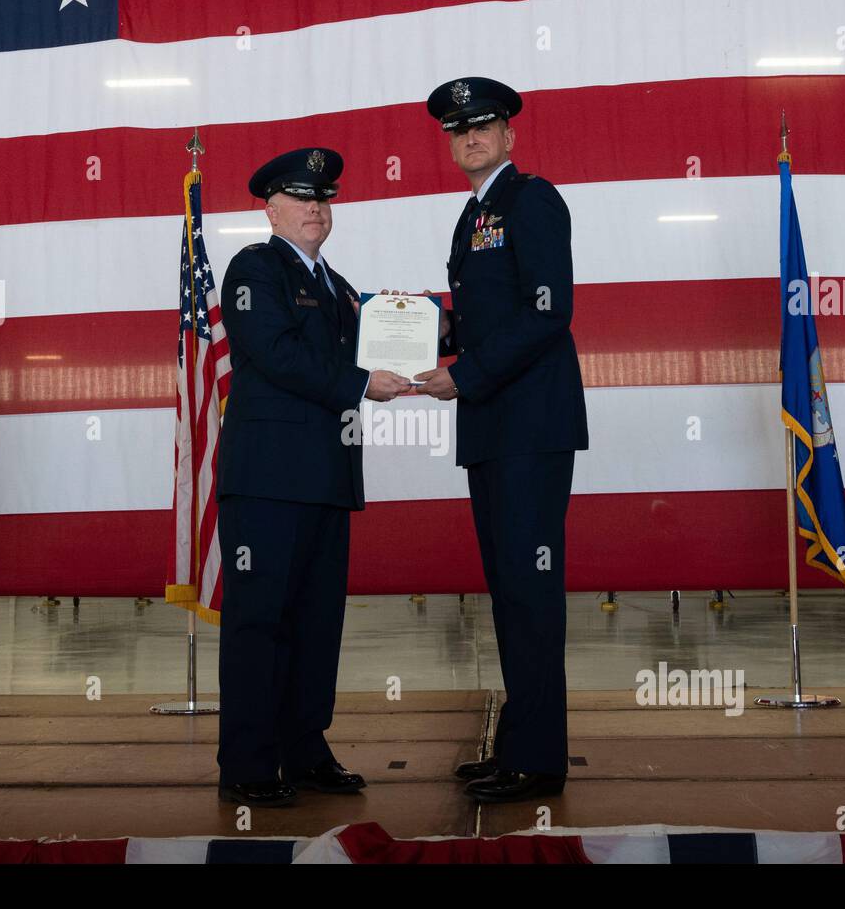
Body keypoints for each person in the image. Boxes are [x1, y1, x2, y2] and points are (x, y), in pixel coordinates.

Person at [215, 147, 410, 807]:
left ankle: (304, 747)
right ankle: (247, 760)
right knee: (258, 620)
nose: (315, 208)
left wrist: (443, 329)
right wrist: (361, 382)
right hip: (268, 479)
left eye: (324, 198)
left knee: (316, 622)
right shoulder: (253, 268)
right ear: (269, 208)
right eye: (301, 197)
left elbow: (383, 342)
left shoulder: (340, 287)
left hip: (326, 477)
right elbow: (274, 354)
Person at [416, 78, 589, 802]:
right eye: (459, 130)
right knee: (509, 591)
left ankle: (540, 758)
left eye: (483, 126)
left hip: (528, 425)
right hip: (490, 424)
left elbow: (550, 311)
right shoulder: (470, 217)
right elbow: (488, 316)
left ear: (509, 135)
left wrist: (468, 371)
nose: (470, 137)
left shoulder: (532, 201)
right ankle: (519, 742)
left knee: (531, 589)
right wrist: (429, 325)